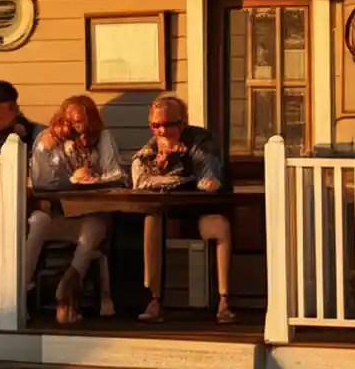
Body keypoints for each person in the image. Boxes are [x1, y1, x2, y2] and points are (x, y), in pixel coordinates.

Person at [132, 95, 235, 324]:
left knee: (220, 227)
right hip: (168, 210)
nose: (161, 131)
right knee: (151, 220)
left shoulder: (201, 141)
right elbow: (140, 180)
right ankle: (154, 299)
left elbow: (210, 182)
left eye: (167, 124)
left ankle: (224, 300)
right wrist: (159, 166)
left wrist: (183, 162)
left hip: (200, 208)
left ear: (182, 123)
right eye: (155, 125)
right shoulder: (151, 147)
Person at [27, 96, 123, 324]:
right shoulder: (51, 139)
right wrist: (47, 150)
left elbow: (118, 176)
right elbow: (43, 182)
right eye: (68, 121)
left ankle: (69, 282)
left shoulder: (103, 138)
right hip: (58, 215)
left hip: (89, 213)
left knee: (96, 225)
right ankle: (22, 289)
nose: (73, 126)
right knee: (38, 221)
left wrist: (95, 179)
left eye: (78, 121)